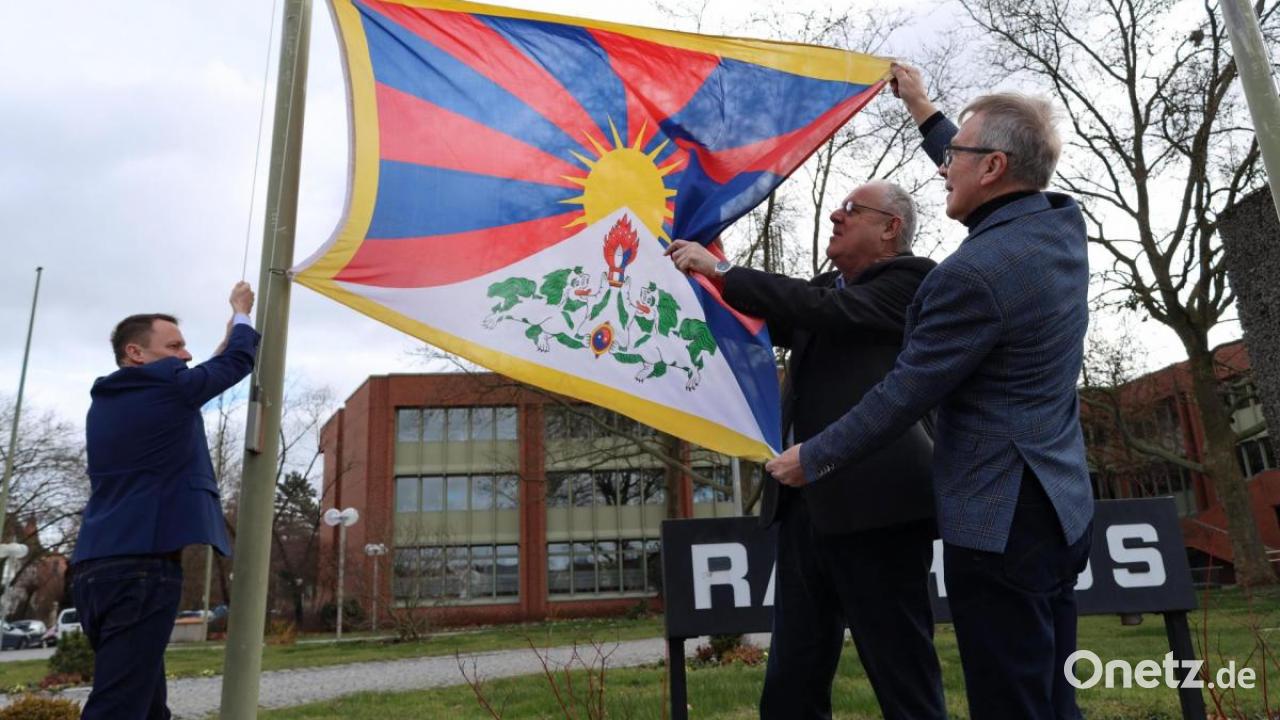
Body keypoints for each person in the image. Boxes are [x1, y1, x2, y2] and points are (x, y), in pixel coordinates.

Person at [766, 64, 1094, 720]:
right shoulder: (1058, 226)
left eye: (956, 156)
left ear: (993, 167)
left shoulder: (971, 276)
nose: (944, 166)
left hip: (999, 523)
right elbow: (995, 161)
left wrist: (813, 456)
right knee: (1053, 699)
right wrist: (921, 107)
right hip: (1061, 509)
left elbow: (904, 394)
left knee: (1012, 703)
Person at [666, 180, 945, 720]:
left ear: (891, 228)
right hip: (804, 509)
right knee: (791, 683)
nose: (836, 217)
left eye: (852, 210)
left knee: (902, 674)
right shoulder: (826, 290)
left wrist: (720, 269)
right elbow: (762, 315)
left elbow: (813, 306)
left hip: (878, 513)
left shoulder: (913, 282)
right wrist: (696, 273)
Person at [71, 282, 259, 720]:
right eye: (174, 346)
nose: (186, 355)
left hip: (95, 570)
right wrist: (241, 311)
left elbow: (200, 373)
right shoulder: (169, 389)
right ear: (135, 352)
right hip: (142, 569)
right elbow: (234, 363)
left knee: (149, 706)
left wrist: (230, 332)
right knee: (118, 707)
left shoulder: (111, 400)